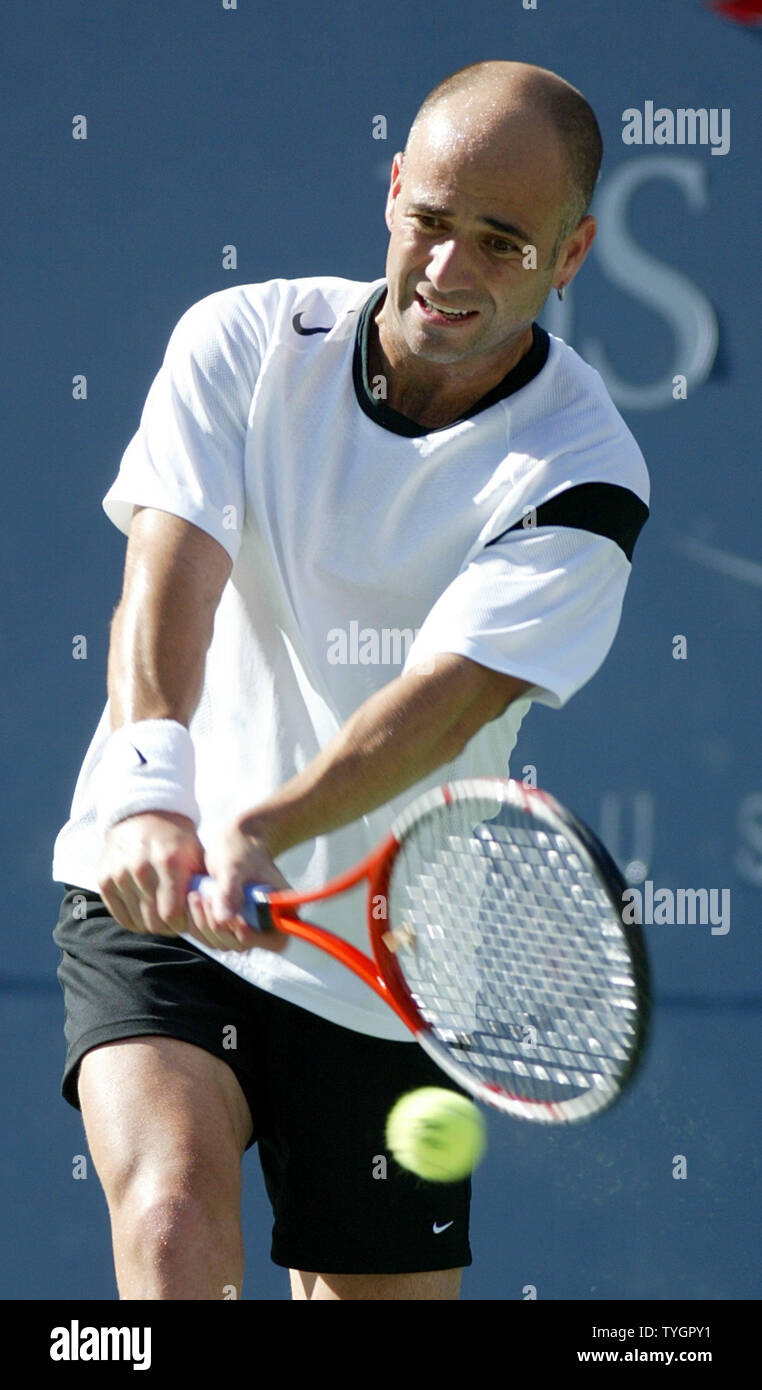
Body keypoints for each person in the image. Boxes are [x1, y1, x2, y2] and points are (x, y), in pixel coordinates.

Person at [52, 59, 649, 1301]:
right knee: (167, 1224)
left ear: (573, 251)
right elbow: (169, 578)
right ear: (391, 189)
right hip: (158, 888)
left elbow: (449, 698)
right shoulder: (243, 340)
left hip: (394, 960)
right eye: (430, 221)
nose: (448, 269)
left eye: (501, 241)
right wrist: (156, 788)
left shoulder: (584, 469)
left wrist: (266, 830)